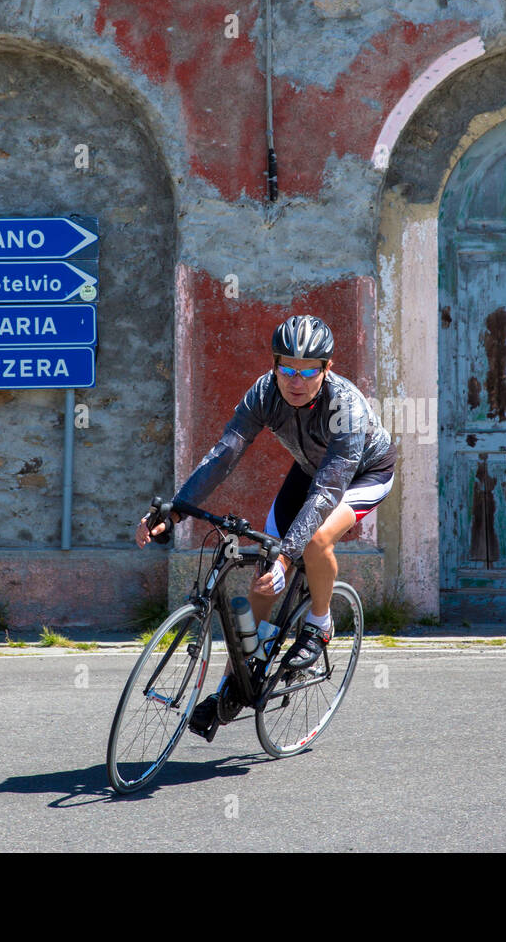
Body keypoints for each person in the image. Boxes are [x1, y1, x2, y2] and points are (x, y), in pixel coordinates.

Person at [135, 314, 395, 739]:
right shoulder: (263, 393)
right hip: (311, 469)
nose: (296, 379)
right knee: (263, 579)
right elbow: (224, 455)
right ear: (274, 365)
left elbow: (329, 489)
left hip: (363, 474)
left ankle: (320, 621)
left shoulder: (346, 408)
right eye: (287, 367)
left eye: (309, 369)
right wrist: (176, 510)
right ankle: (230, 686)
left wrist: (286, 556)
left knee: (313, 541)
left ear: (327, 369)